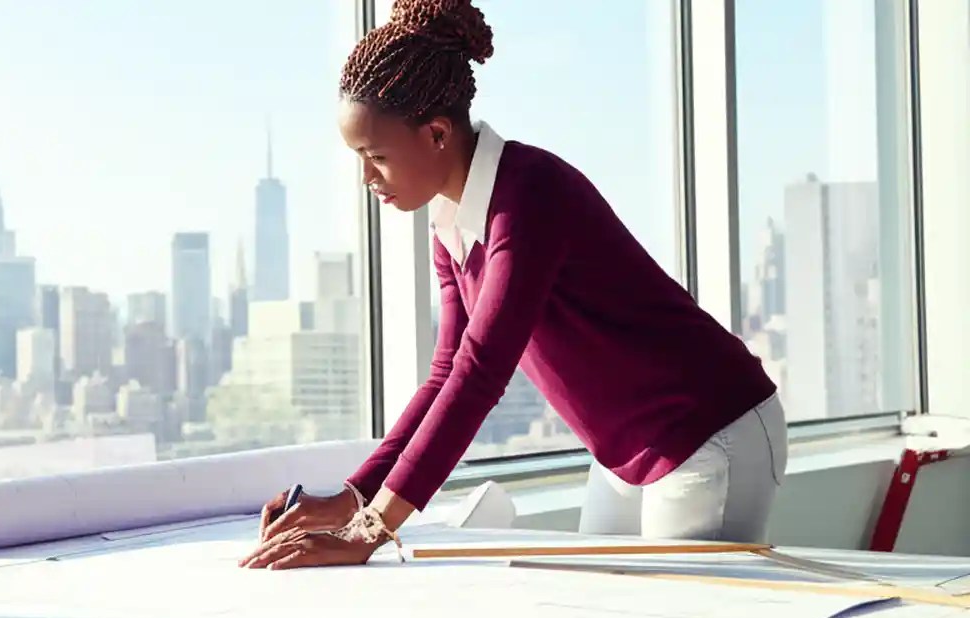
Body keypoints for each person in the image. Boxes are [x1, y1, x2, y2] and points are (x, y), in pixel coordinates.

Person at [240, 0, 786, 571]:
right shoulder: (452, 220)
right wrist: (352, 499)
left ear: (435, 133)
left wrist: (371, 530)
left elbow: (481, 372)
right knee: (607, 614)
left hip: (709, 434)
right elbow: (446, 372)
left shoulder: (528, 194)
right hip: (624, 452)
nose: (366, 178)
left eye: (376, 156)